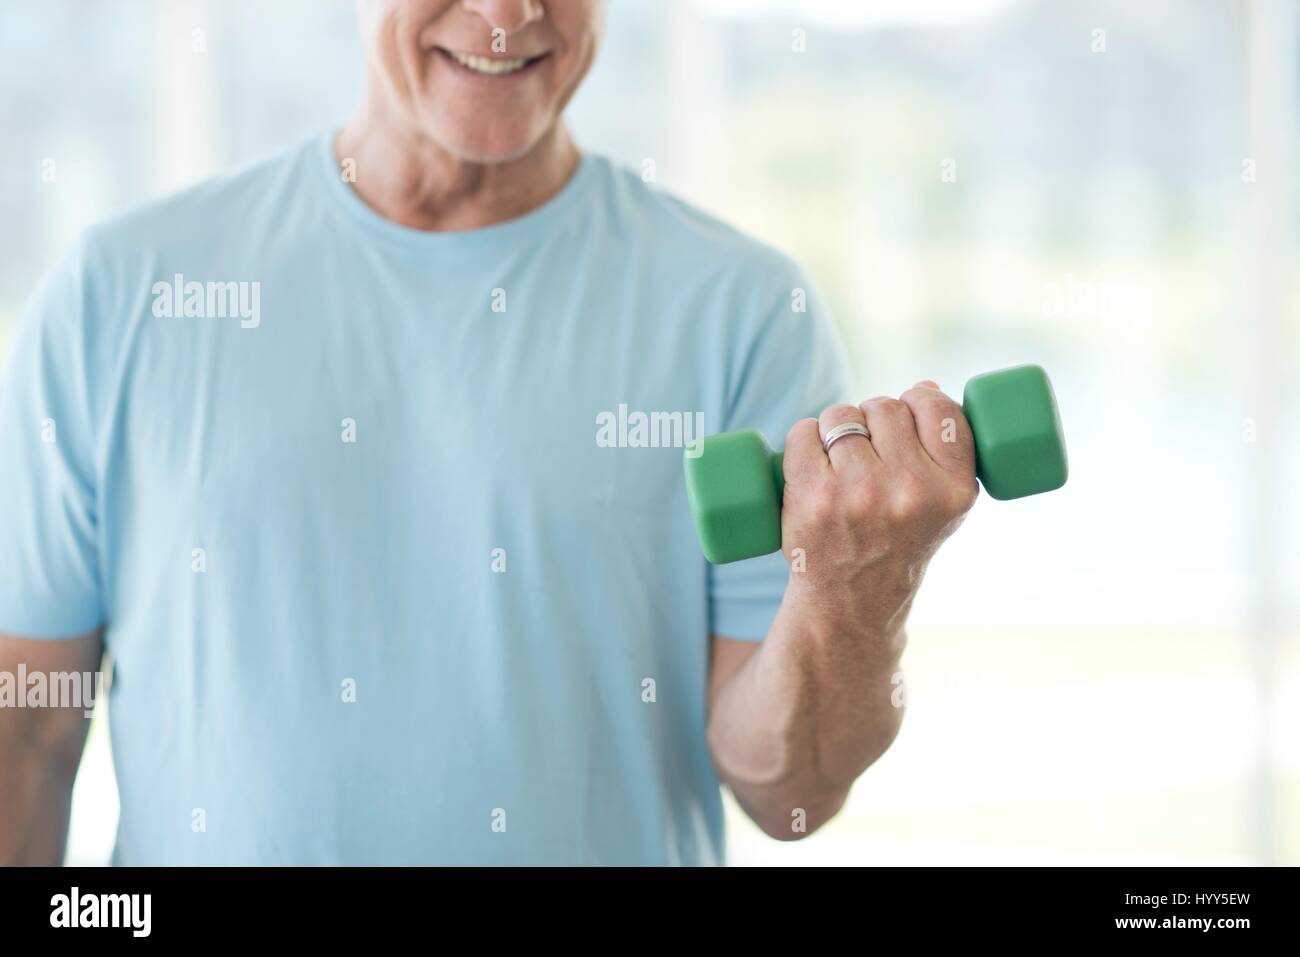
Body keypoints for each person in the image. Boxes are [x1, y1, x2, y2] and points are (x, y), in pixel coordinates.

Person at [0, 0, 976, 866]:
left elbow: (790, 793)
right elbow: (24, 738)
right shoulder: (119, 292)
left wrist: (851, 596)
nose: (508, 14)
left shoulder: (745, 311)